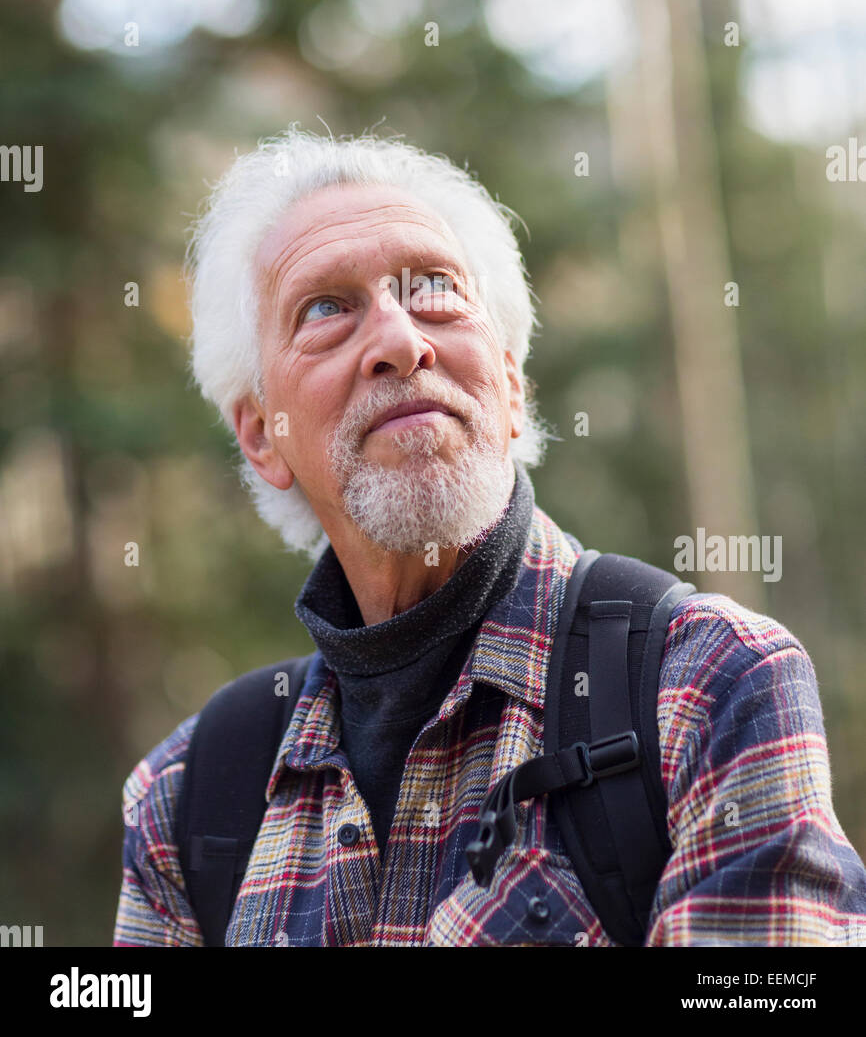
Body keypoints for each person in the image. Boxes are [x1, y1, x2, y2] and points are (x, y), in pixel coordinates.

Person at [113, 127, 866, 947]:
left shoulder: (712, 684)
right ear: (262, 435)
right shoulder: (188, 801)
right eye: (326, 307)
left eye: (434, 286)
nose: (402, 341)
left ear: (511, 384)